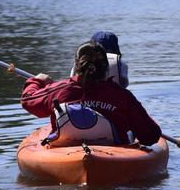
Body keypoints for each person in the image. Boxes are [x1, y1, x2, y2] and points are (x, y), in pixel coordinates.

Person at [22, 41, 161, 147]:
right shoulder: (122, 96)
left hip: (66, 150)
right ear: (107, 69)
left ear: (76, 67)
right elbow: (150, 136)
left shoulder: (59, 90)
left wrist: (37, 81)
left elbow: (28, 100)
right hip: (113, 155)